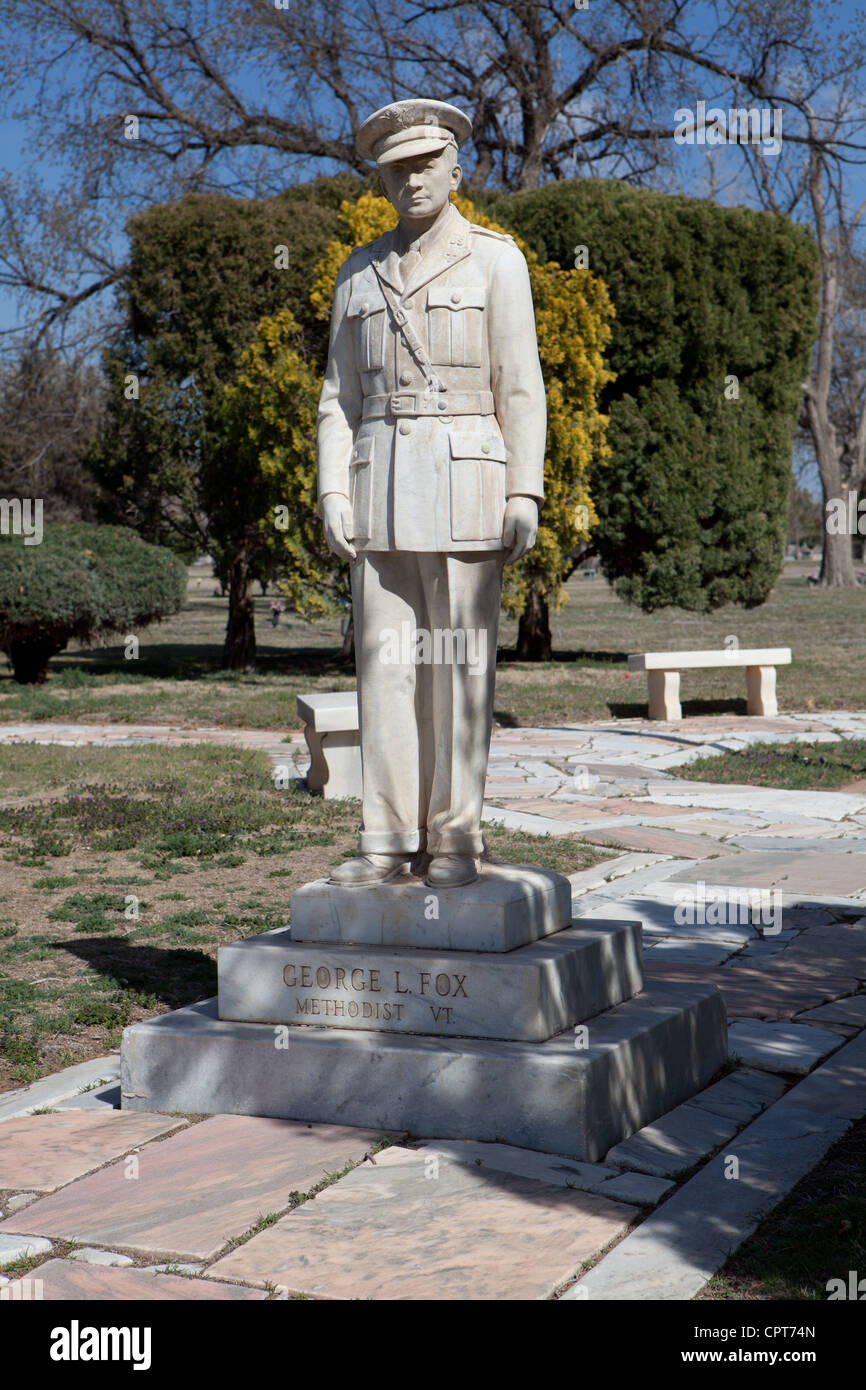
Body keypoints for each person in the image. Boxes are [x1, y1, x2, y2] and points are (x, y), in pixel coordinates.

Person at [317, 99, 546, 888]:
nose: (412, 180)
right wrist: (329, 491)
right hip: (377, 488)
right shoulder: (359, 271)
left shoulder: (495, 260)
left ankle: (453, 840)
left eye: (425, 164)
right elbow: (338, 398)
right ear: (383, 180)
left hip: (465, 486)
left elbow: (520, 388)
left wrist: (527, 491)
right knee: (385, 670)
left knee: (458, 673)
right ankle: (385, 835)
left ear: (456, 169)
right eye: (397, 169)